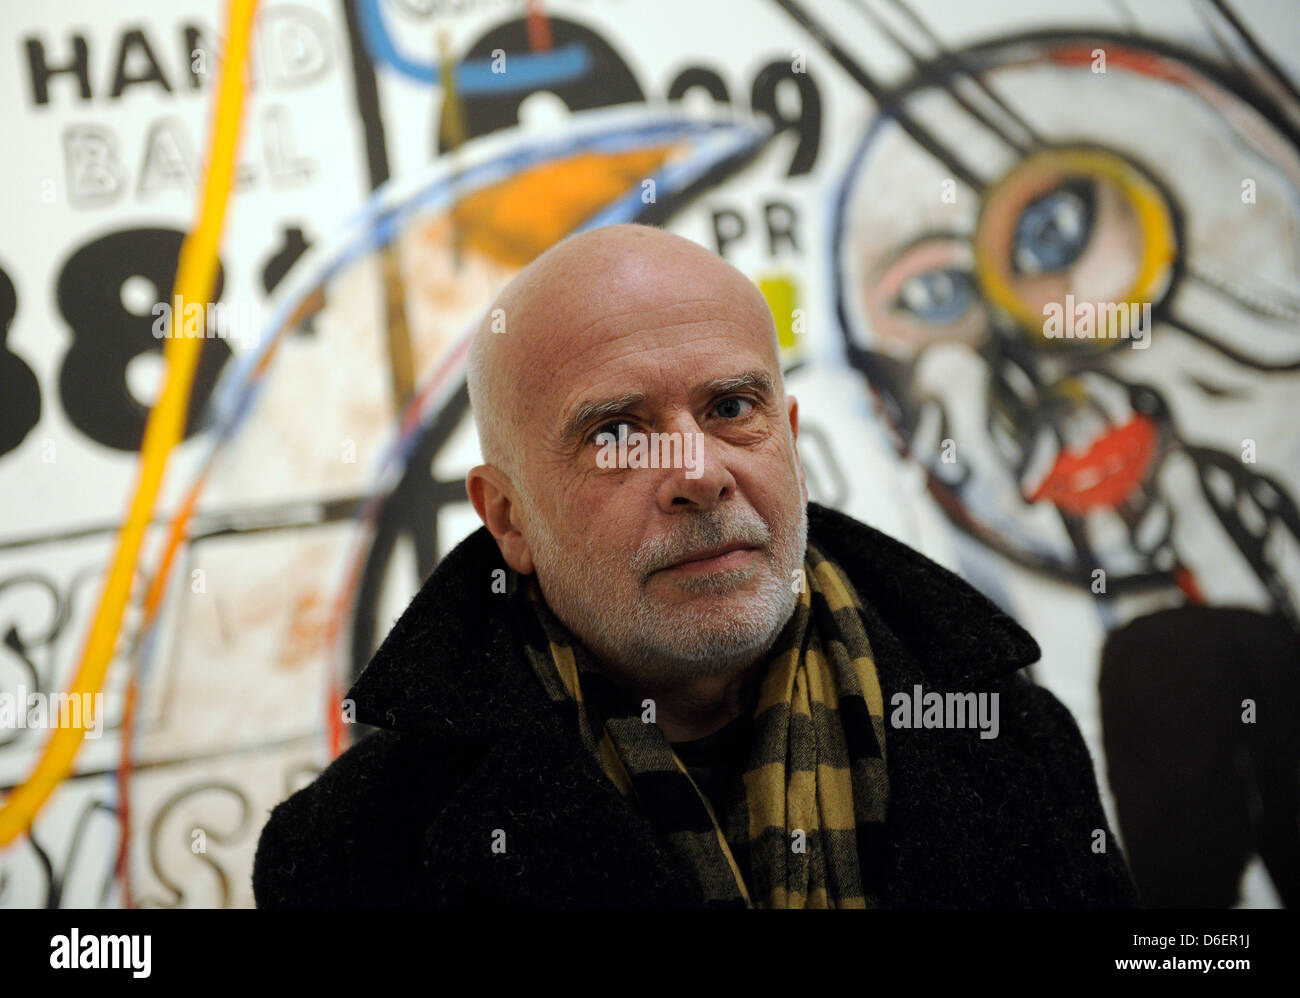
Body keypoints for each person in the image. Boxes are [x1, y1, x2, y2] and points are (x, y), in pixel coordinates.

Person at [252, 224, 1139, 908]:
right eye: (615, 434)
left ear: (787, 441)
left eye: (730, 407)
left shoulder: (1007, 731)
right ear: (508, 519)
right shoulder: (354, 855)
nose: (698, 474)